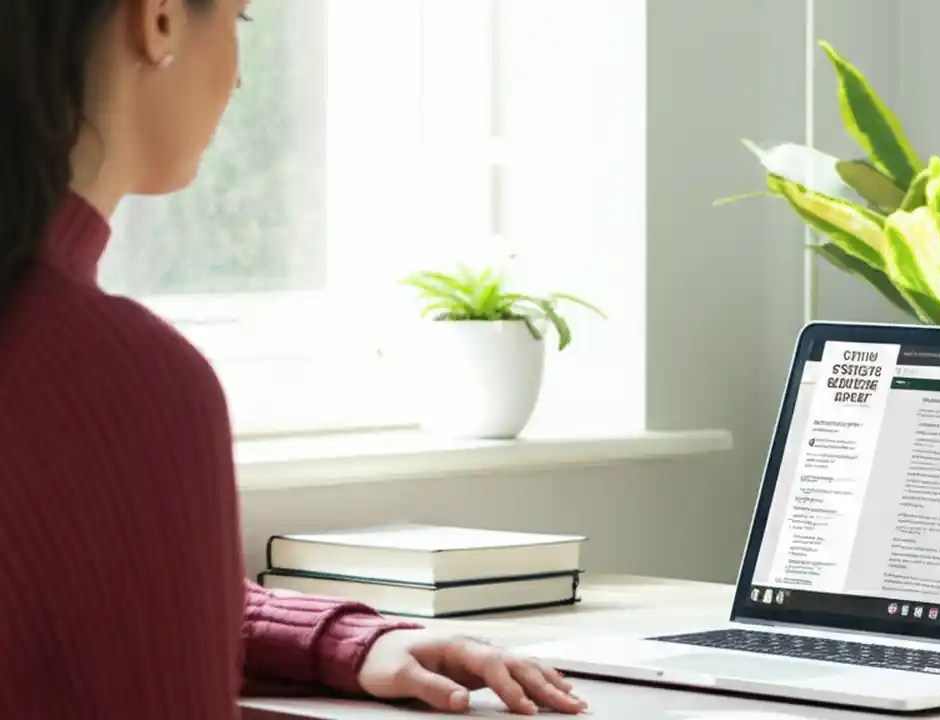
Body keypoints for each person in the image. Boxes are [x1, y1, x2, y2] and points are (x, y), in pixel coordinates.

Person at [0, 0, 586, 716]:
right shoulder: (119, 384)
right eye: (240, 19)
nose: (241, 79)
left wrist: (342, 640)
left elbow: (78, 598)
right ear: (158, 19)